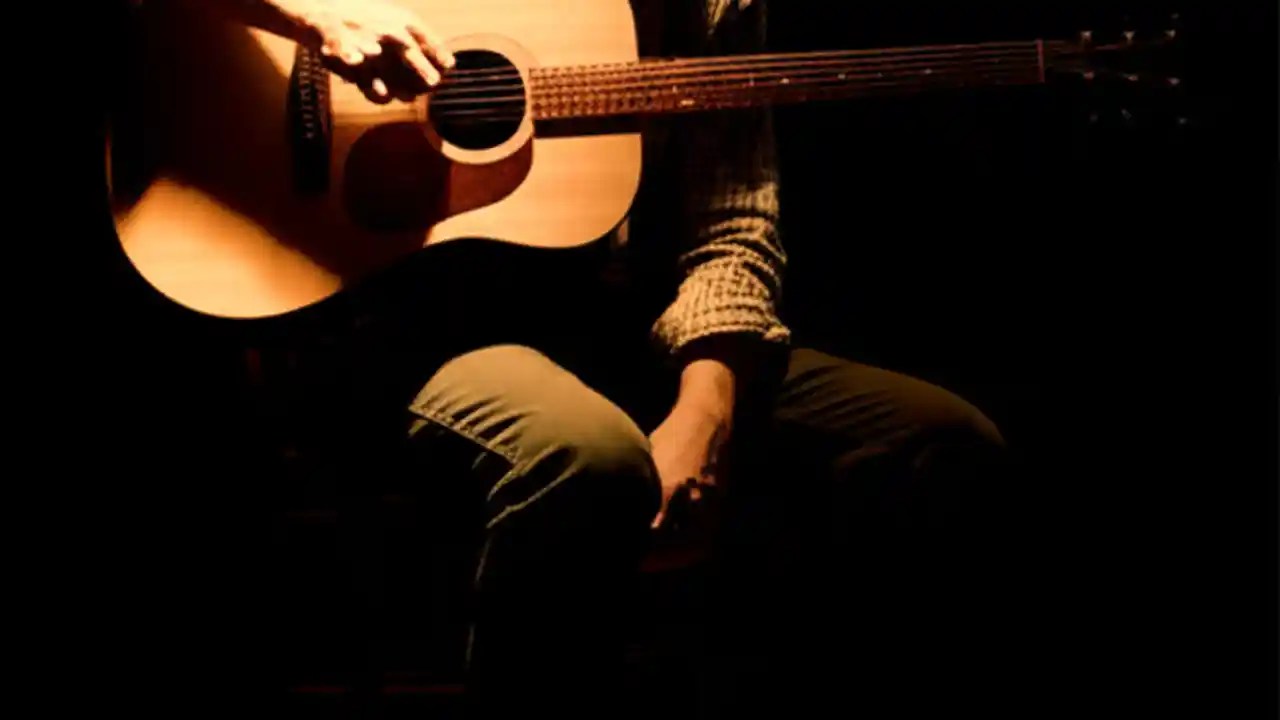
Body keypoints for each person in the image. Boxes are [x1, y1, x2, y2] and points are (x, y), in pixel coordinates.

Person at [109, 1, 1018, 717]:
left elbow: (732, 223)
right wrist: (315, 19)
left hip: (617, 328)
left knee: (937, 441)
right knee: (588, 457)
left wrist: (706, 408)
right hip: (390, 320)